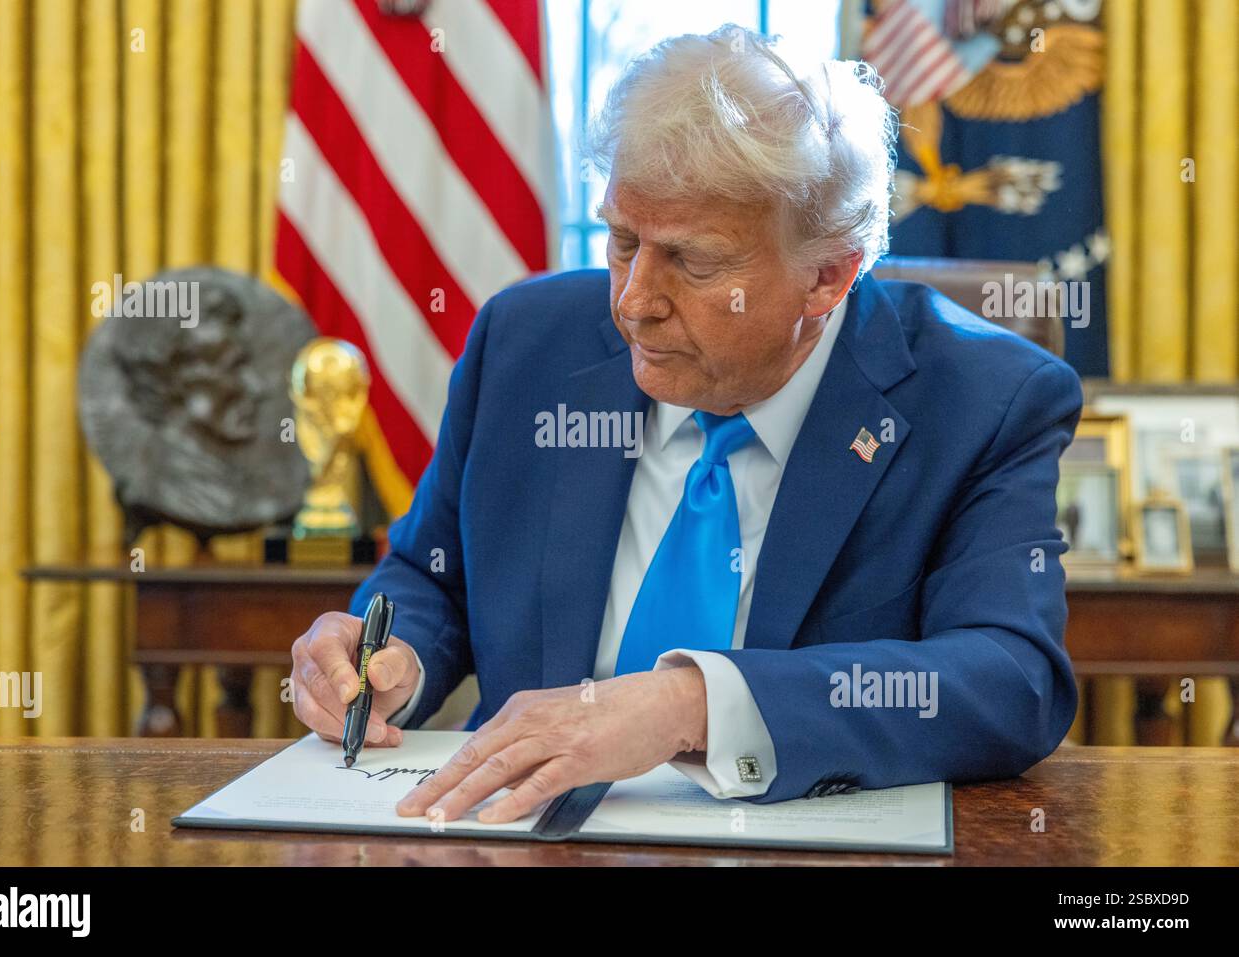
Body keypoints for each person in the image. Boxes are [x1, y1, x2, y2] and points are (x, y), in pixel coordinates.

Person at [288, 25, 1083, 824]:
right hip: (517, 830)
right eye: (622, 240)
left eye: (693, 263)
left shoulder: (984, 398)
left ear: (828, 274)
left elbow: (1010, 678)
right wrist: (392, 658)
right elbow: (434, 576)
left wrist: (691, 702)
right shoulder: (526, 345)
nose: (634, 300)